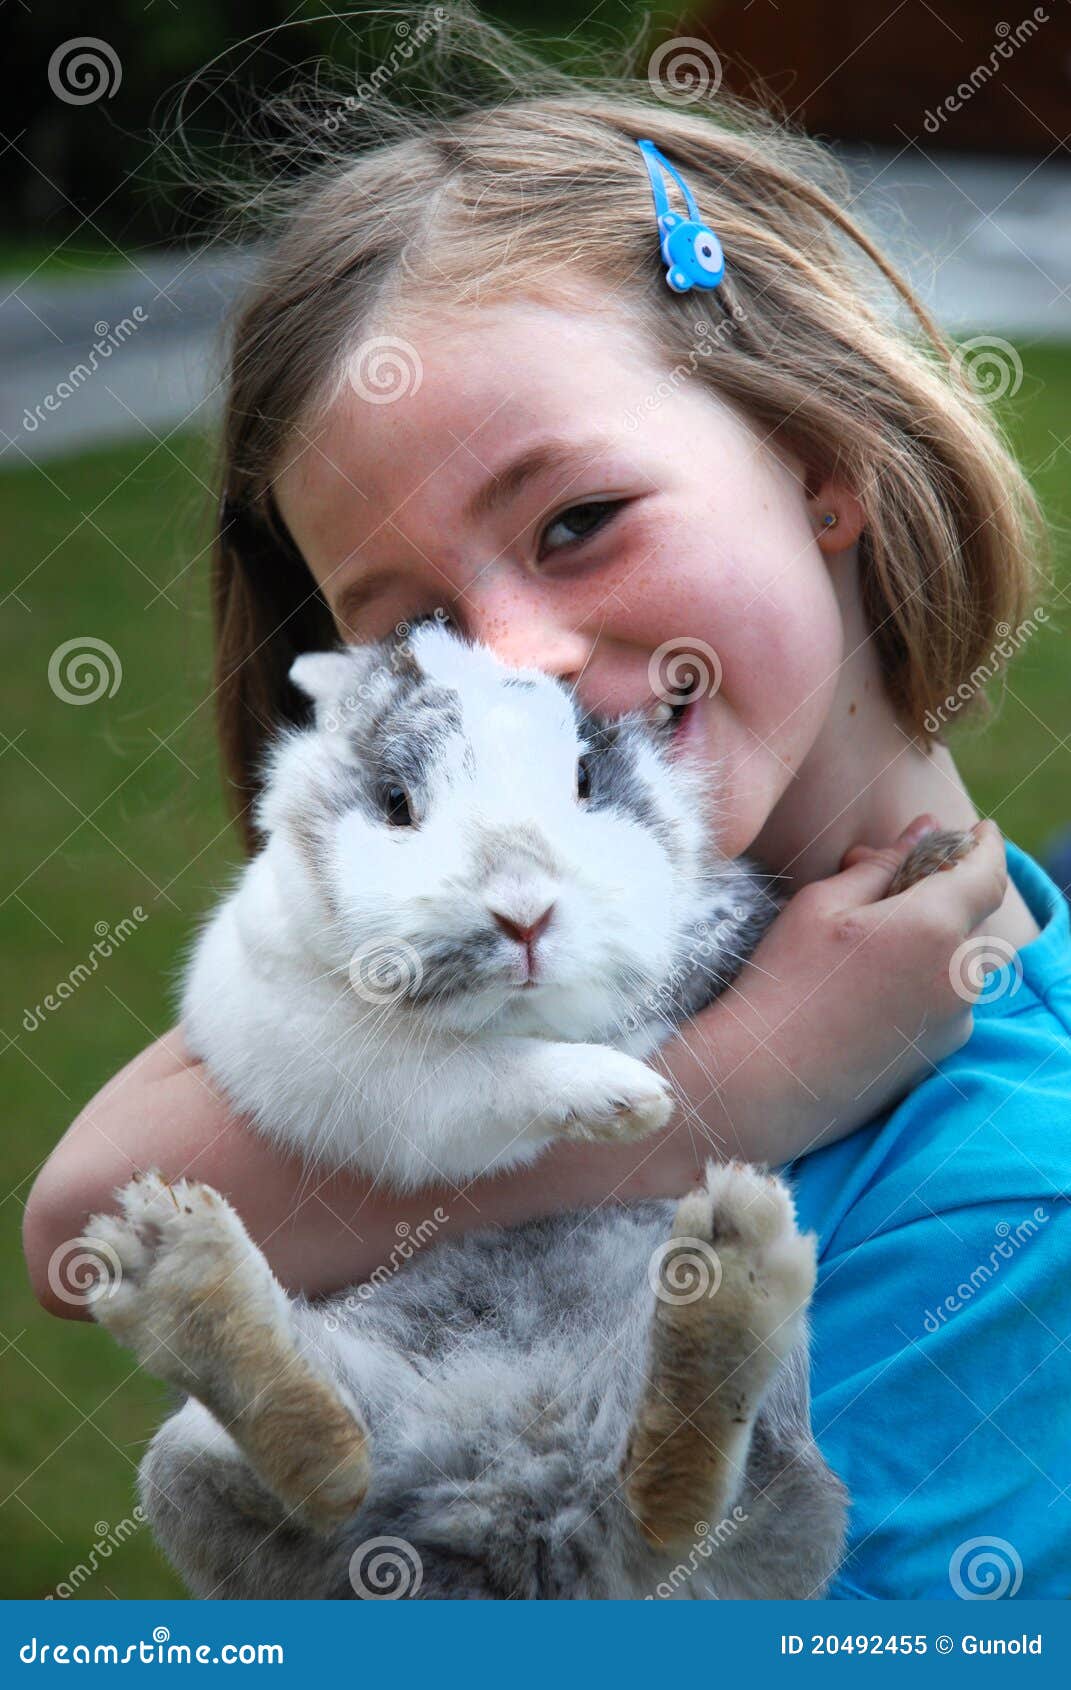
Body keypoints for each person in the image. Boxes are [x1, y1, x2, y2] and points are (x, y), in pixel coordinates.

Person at [22, 8, 1071, 1599]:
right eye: (417, 627)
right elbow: (89, 1222)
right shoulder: (504, 927)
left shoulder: (1004, 1211)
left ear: (821, 460)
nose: (514, 661)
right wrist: (739, 1084)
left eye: (577, 521)